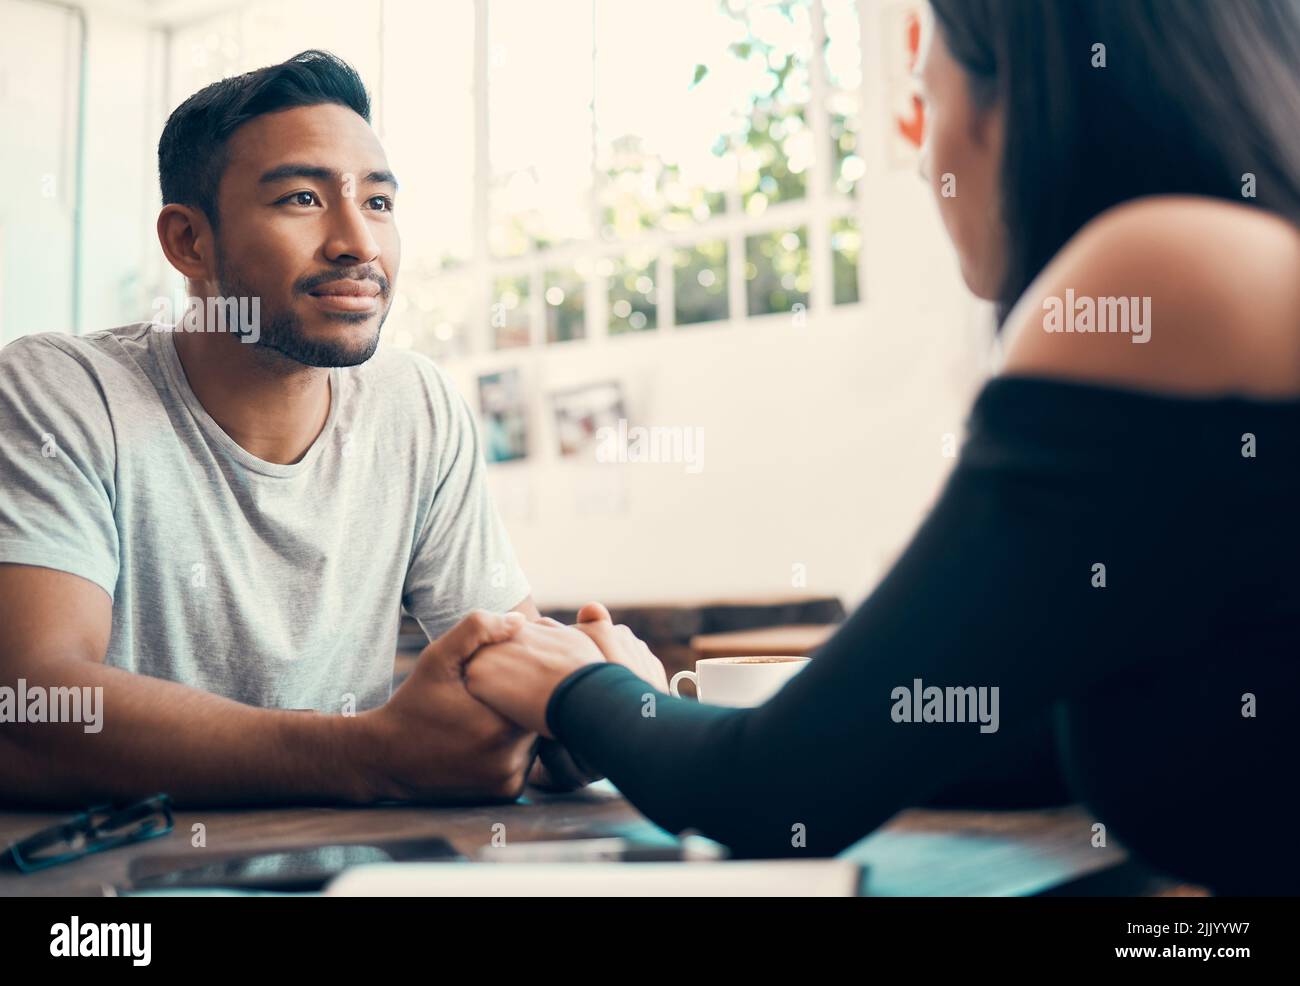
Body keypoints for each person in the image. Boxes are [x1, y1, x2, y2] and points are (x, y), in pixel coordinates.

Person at [460, 0, 1300, 894]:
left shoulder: (1169, 272)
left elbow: (769, 794)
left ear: (1022, 96)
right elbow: (991, 745)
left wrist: (572, 687)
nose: (926, 162)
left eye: (924, 101)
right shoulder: (1240, 275)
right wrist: (656, 716)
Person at [0, 51, 593, 807]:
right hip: (113, 868)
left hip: (348, 861)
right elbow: (35, 702)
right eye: (303, 198)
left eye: (378, 202)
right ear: (189, 242)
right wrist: (368, 757)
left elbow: (514, 677)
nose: (358, 242)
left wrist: (588, 712)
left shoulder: (416, 406)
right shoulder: (64, 392)